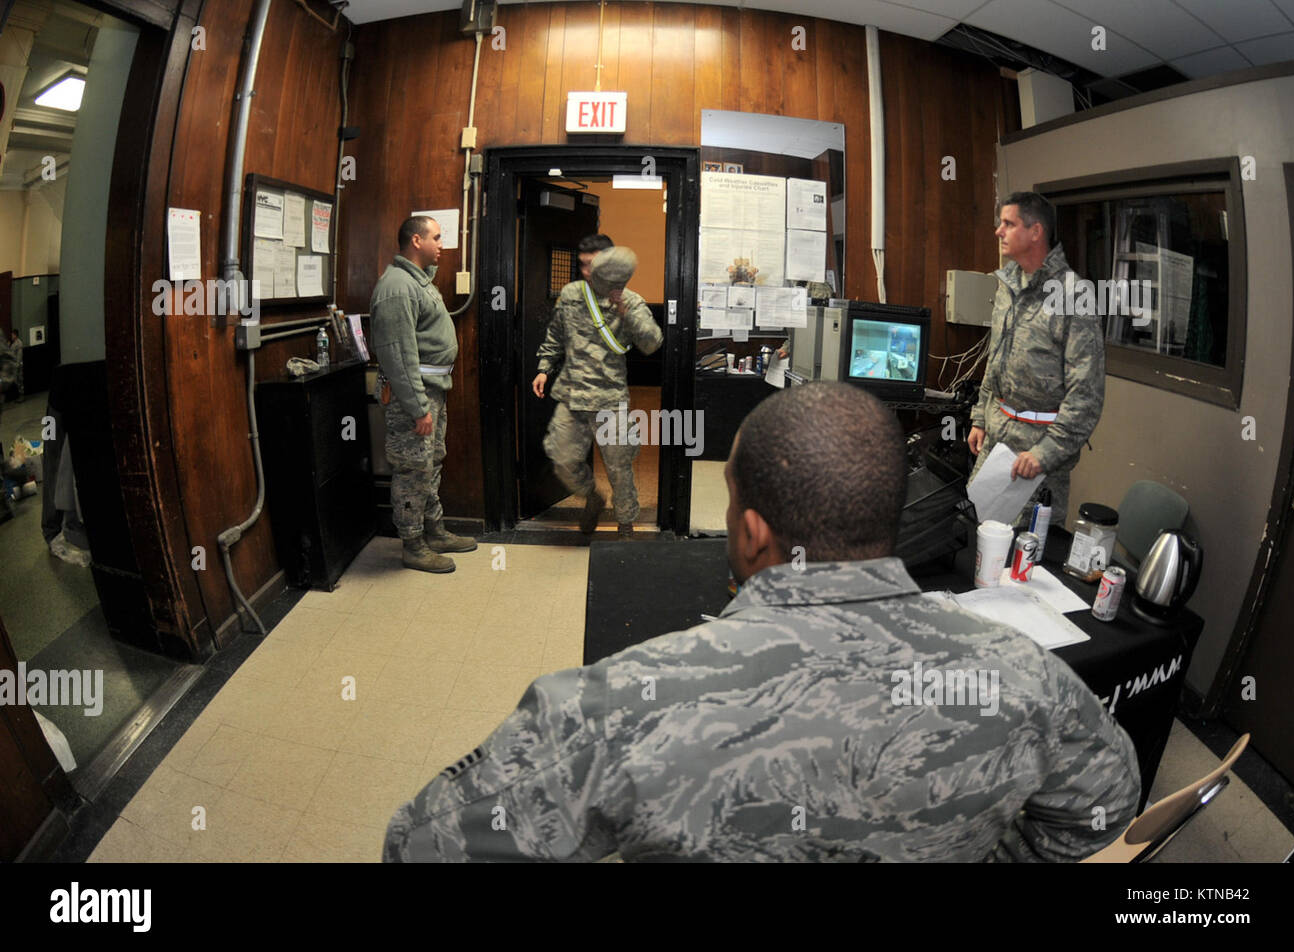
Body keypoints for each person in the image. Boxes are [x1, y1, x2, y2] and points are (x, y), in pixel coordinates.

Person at [384, 382, 1140, 862]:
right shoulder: (1026, 677)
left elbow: (419, 845)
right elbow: (1103, 809)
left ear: (750, 533)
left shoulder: (613, 709)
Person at [967, 191, 1105, 526]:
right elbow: (996, 357)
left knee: (1021, 550)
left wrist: (1045, 454)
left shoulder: (1073, 295)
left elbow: (1086, 396)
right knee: (972, 532)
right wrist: (980, 417)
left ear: (1035, 232)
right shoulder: (1008, 286)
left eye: (1008, 223)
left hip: (1035, 456)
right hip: (995, 443)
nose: (999, 231)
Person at [532, 237, 662, 538]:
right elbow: (556, 334)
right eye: (583, 265)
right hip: (572, 394)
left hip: (609, 399)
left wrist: (624, 311)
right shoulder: (571, 294)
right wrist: (544, 367)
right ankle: (592, 496)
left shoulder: (630, 300)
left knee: (619, 467)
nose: (587, 271)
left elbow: (651, 343)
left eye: (594, 265)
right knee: (562, 458)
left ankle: (625, 522)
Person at [370, 215, 476, 573]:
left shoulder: (418, 280)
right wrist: (417, 408)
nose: (442, 244)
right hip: (413, 399)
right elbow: (397, 356)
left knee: (430, 463)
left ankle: (435, 531)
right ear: (416, 240)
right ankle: (413, 545)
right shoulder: (397, 287)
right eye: (437, 237)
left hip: (432, 393)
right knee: (412, 469)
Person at [7, 330, 23, 403]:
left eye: (12, 335)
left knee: (19, 381)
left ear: (15, 335)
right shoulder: (13, 343)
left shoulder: (18, 343)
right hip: (13, 366)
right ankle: (17, 396)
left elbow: (19, 355)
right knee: (16, 381)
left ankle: (21, 397)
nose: (11, 336)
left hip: (17, 366)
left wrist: (17, 365)